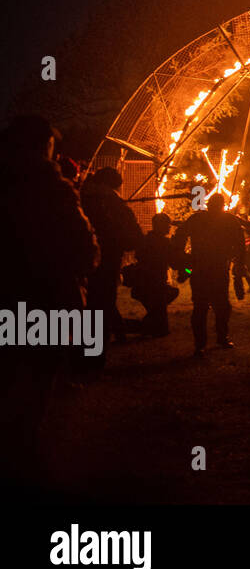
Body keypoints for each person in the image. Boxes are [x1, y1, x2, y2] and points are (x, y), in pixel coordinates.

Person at [0, 115, 97, 489]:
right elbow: (83, 249)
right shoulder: (51, 189)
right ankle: (23, 464)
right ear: (45, 148)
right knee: (33, 387)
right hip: (45, 302)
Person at [172, 192, 246, 356]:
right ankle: (216, 339)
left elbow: (240, 245)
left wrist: (184, 260)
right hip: (210, 268)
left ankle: (206, 342)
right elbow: (240, 246)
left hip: (204, 268)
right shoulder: (226, 220)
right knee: (215, 306)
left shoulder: (200, 219)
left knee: (207, 306)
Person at [79, 167, 144, 349]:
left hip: (81, 266)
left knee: (87, 308)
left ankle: (83, 354)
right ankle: (93, 359)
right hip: (107, 264)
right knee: (102, 306)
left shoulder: (79, 200)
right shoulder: (116, 207)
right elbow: (134, 238)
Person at [122, 213, 182, 337]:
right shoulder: (163, 243)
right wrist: (188, 270)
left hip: (142, 285)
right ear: (161, 226)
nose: (169, 228)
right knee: (161, 328)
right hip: (155, 287)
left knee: (158, 322)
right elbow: (176, 263)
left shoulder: (145, 240)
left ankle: (142, 325)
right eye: (167, 225)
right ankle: (121, 325)